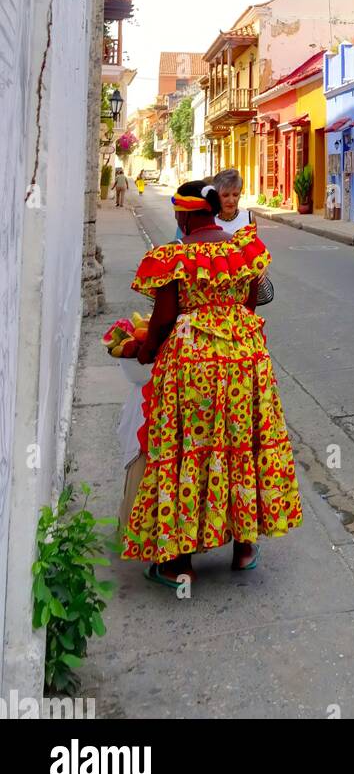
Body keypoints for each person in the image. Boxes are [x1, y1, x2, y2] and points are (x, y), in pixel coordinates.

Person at [122, 179, 302, 589]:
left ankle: (178, 563)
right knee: (242, 446)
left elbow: (165, 316)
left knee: (189, 448)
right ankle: (243, 548)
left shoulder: (174, 256)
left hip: (193, 368)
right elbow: (251, 302)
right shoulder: (242, 247)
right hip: (245, 362)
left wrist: (146, 349)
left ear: (184, 215)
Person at [212, 167, 254, 233]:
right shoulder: (209, 221)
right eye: (225, 195)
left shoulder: (249, 218)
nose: (231, 201)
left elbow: (254, 243)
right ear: (216, 195)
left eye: (235, 195)